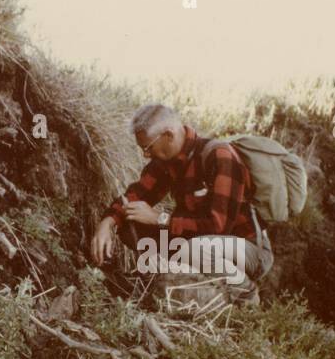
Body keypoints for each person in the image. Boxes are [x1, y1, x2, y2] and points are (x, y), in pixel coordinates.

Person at [90, 104, 273, 305]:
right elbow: (137, 194)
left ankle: (245, 293)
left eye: (147, 147)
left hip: (247, 249)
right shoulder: (167, 162)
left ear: (168, 135)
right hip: (200, 244)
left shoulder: (219, 156)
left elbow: (219, 226)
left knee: (192, 249)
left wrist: (159, 218)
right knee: (129, 223)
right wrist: (107, 222)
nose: (145, 155)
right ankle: (173, 283)